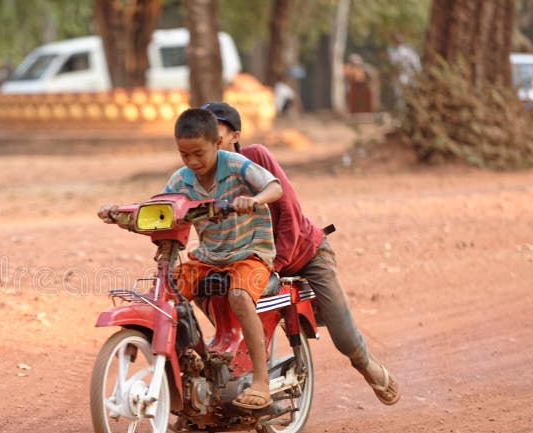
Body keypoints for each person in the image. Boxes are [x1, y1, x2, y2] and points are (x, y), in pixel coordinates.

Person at [201, 101, 400, 405]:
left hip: (306, 252)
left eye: (215, 131)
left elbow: (290, 213)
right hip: (255, 262)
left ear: (234, 136)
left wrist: (273, 265)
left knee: (342, 331)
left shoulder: (255, 157)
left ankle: (366, 365)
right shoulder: (204, 175)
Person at [98, 108, 284, 410]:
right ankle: (194, 362)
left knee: (239, 295)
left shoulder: (238, 165)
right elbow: (162, 209)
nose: (193, 162)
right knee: (167, 297)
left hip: (251, 251)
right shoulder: (181, 179)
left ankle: (261, 380)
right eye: (185, 155)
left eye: (199, 153)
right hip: (209, 256)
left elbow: (274, 186)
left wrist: (254, 199)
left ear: (217, 143)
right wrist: (117, 212)